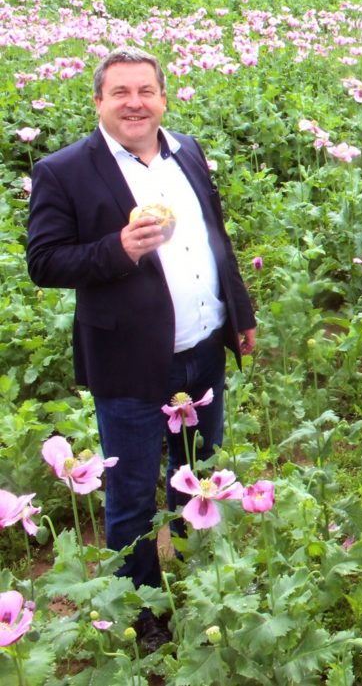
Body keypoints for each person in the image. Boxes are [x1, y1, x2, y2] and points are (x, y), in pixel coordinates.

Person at [26, 46, 256, 649]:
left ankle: (201, 579)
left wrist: (240, 313)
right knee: (130, 493)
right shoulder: (64, 170)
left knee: (198, 471)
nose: (135, 103)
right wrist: (119, 249)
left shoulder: (187, 151)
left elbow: (214, 237)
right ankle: (142, 610)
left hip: (201, 349)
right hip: (127, 361)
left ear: (163, 98)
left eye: (145, 91)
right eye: (121, 92)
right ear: (98, 101)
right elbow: (44, 262)